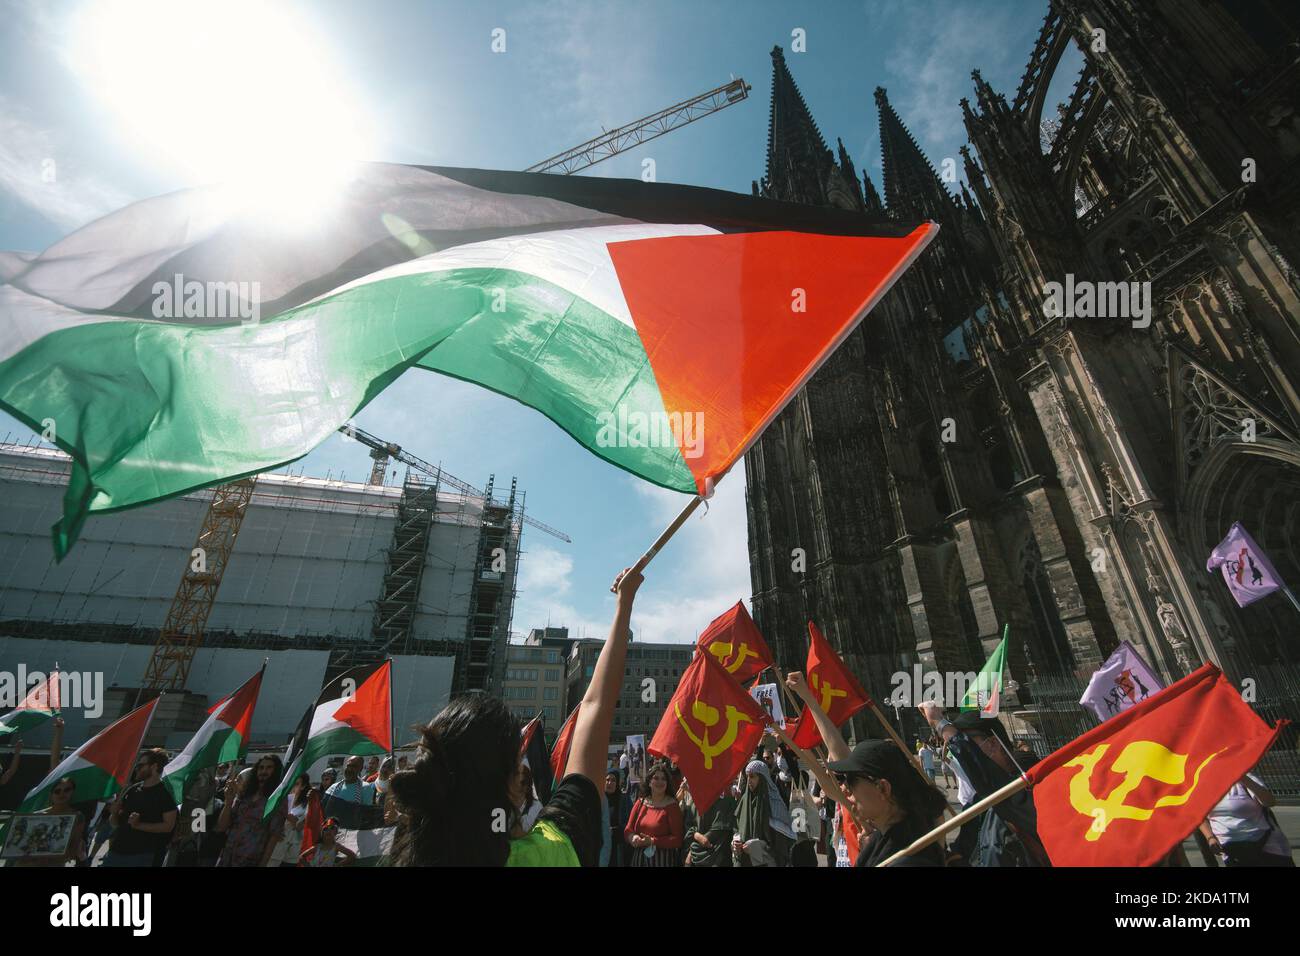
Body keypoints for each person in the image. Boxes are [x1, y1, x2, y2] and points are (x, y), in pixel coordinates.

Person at [388, 567, 643, 866]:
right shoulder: (546, 855)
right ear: (508, 784)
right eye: (517, 759)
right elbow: (594, 706)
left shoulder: (406, 855)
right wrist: (624, 604)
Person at [787, 670, 947, 868]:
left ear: (883, 788)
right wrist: (807, 697)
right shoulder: (886, 832)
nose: (845, 788)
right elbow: (836, 760)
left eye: (852, 782)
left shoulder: (911, 856)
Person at [920, 703, 1049, 867]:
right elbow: (965, 853)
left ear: (993, 744)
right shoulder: (977, 802)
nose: (958, 752)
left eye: (969, 742)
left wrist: (940, 723)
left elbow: (996, 784)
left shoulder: (1028, 785)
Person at [101, 749, 177, 867]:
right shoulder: (132, 790)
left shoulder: (165, 793)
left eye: (141, 765)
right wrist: (114, 813)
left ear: (154, 767)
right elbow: (115, 823)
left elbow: (168, 826)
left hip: (142, 855)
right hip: (116, 851)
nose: (137, 768)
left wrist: (139, 825)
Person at [1199, 773, 1294, 866]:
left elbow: (1269, 801)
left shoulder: (1245, 778)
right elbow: (1199, 815)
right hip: (1230, 849)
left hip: (1266, 846)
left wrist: (1243, 778)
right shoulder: (1202, 785)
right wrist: (1210, 838)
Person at [217, 754, 286, 867]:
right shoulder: (244, 795)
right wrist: (228, 802)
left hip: (250, 860)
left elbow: (273, 836)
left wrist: (263, 864)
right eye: (261, 767)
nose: (264, 771)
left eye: (269, 768)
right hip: (227, 856)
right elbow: (222, 826)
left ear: (276, 771)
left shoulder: (277, 800)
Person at [732, 759, 796, 866]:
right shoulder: (744, 800)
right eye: (747, 776)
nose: (748, 781)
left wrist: (758, 846)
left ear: (762, 778)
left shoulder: (774, 803)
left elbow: (783, 841)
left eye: (752, 776)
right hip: (745, 860)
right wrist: (736, 841)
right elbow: (736, 827)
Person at [14, 775, 86, 867]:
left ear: (73, 792)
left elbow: (73, 847)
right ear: (51, 794)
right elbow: (20, 845)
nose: (62, 794)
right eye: (57, 791)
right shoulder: (36, 816)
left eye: (67, 790)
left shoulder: (78, 817)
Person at [624, 760, 685, 867]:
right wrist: (633, 838)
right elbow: (628, 829)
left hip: (662, 860)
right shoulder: (641, 802)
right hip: (639, 860)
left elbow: (678, 839)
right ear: (649, 782)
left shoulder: (672, 806)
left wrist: (652, 841)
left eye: (663, 779)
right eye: (656, 778)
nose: (660, 782)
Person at [682, 779, 736, 867]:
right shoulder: (694, 802)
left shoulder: (725, 801)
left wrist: (695, 848)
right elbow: (688, 826)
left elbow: (718, 830)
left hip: (716, 856)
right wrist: (696, 835)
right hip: (694, 858)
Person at [267, 772, 310, 867]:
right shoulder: (279, 801)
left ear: (303, 787)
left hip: (291, 853)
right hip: (275, 848)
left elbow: (303, 827)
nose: (292, 787)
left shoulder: (306, 806)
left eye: (296, 784)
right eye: (291, 783)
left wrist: (294, 820)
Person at [603, 769, 631, 866]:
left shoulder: (624, 799)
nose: (609, 783)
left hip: (618, 846)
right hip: (602, 846)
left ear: (618, 783)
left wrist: (615, 830)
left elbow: (630, 822)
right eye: (607, 780)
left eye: (613, 780)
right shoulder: (600, 800)